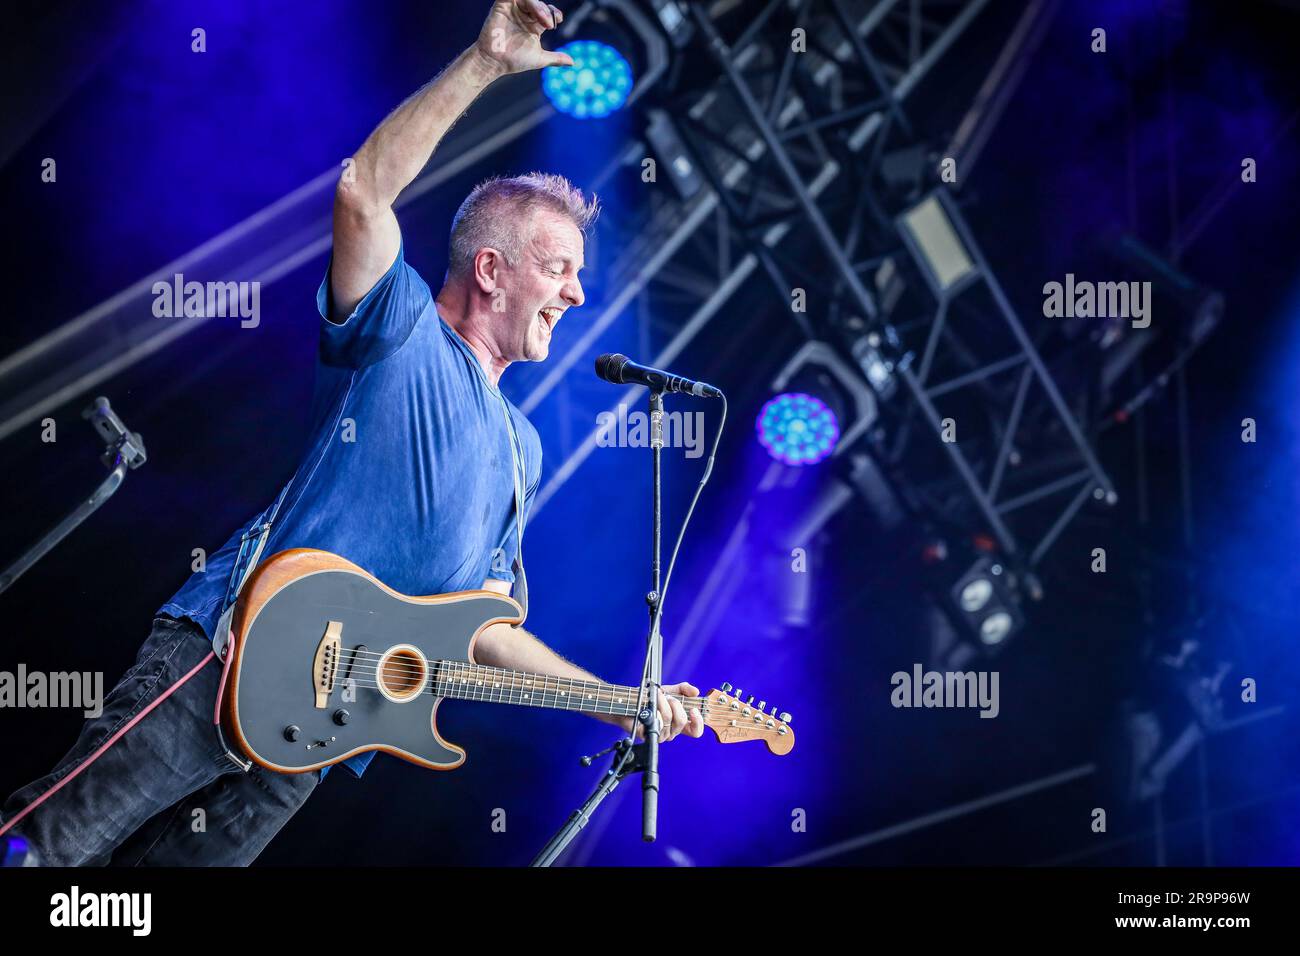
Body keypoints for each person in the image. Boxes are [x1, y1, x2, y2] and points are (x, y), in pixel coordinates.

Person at [0, 0, 702, 867]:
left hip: (322, 734)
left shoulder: (526, 447)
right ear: (491, 270)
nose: (577, 295)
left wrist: (615, 700)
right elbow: (365, 190)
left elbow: (485, 627)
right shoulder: (402, 324)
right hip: (229, 652)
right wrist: (483, 63)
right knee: (52, 849)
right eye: (559, 269)